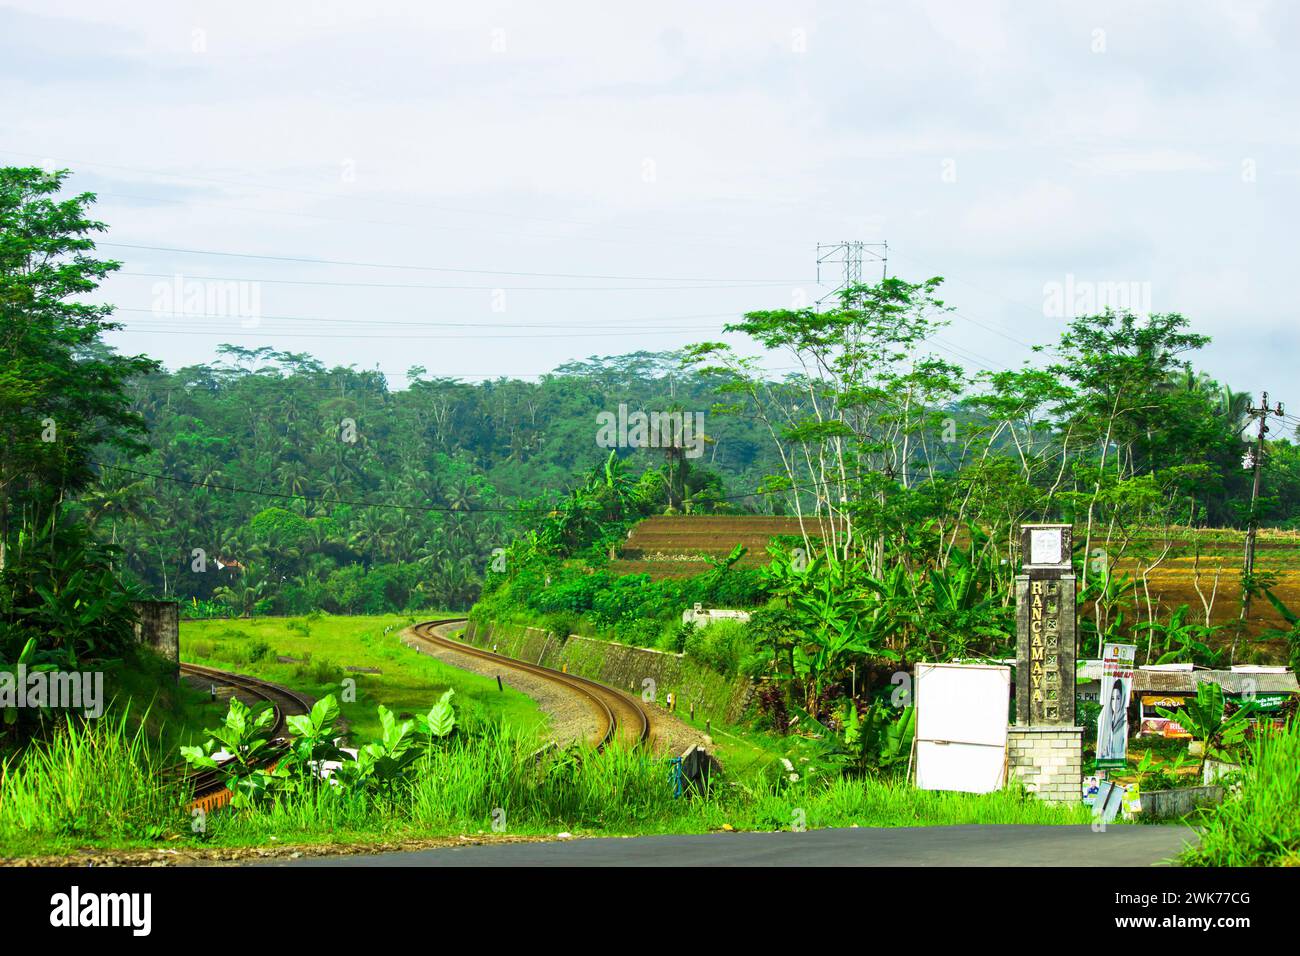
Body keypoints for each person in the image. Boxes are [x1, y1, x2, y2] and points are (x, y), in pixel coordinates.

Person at [1097, 678, 1129, 759]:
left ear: (1122, 699)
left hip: (1118, 758)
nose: (1115, 703)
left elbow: (1124, 744)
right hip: (1105, 758)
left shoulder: (1124, 720)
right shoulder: (1104, 717)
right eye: (1112, 698)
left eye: (1118, 698)